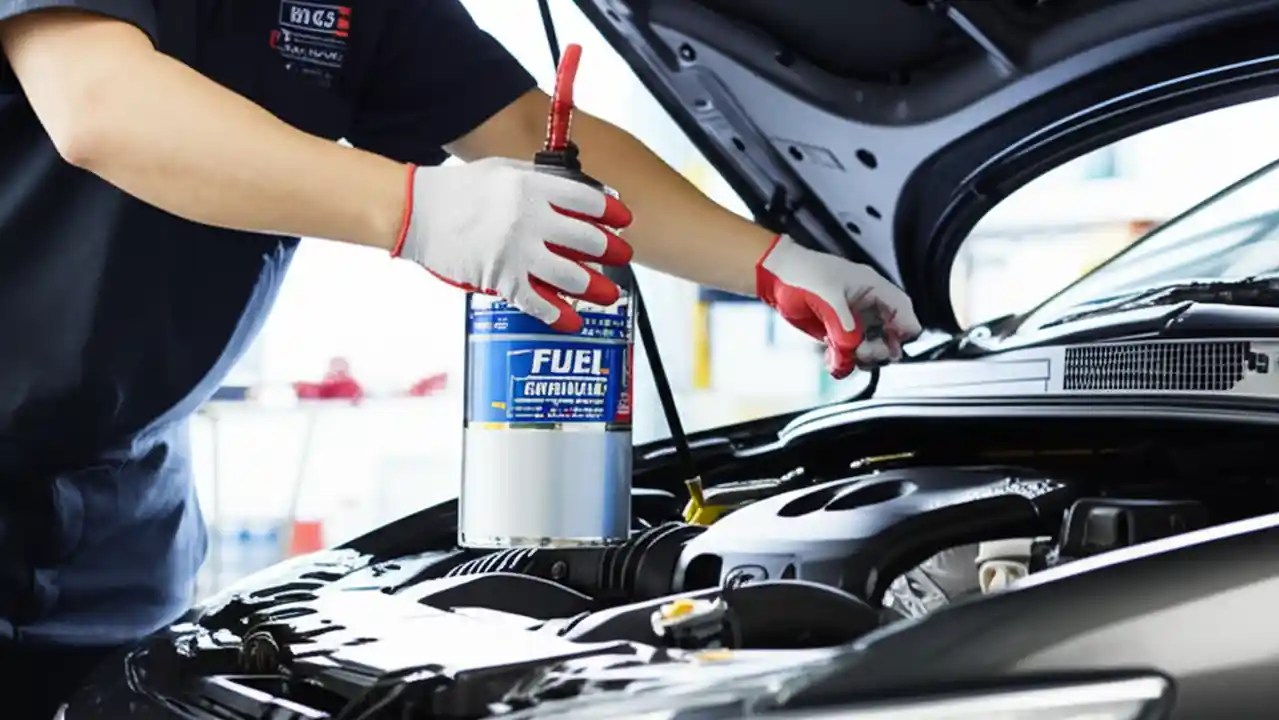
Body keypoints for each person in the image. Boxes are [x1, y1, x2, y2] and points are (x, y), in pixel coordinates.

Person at [0, 1, 920, 715]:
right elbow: (99, 103)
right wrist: (420, 211)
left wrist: (770, 261)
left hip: (118, 512)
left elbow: (527, 130)